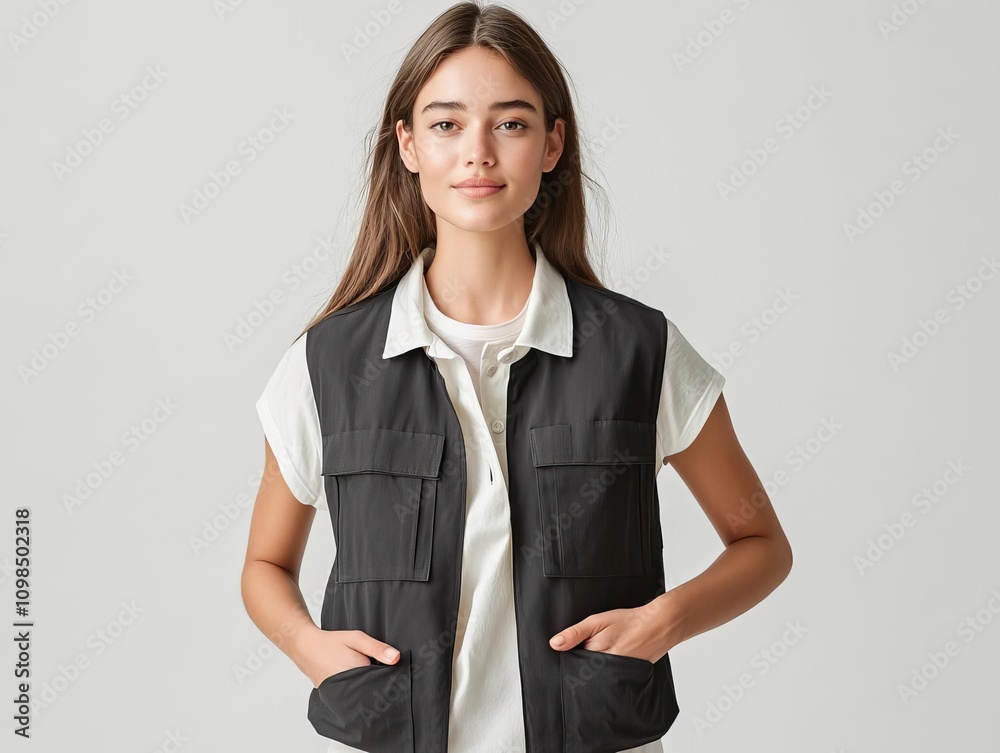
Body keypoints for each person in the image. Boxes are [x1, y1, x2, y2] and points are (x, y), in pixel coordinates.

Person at [240, 3, 793, 752]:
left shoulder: (640, 349)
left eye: (510, 123)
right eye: (445, 124)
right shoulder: (327, 363)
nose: (478, 153)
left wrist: (663, 622)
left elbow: (761, 542)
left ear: (552, 143)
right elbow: (265, 565)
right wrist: (307, 644)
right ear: (406, 145)